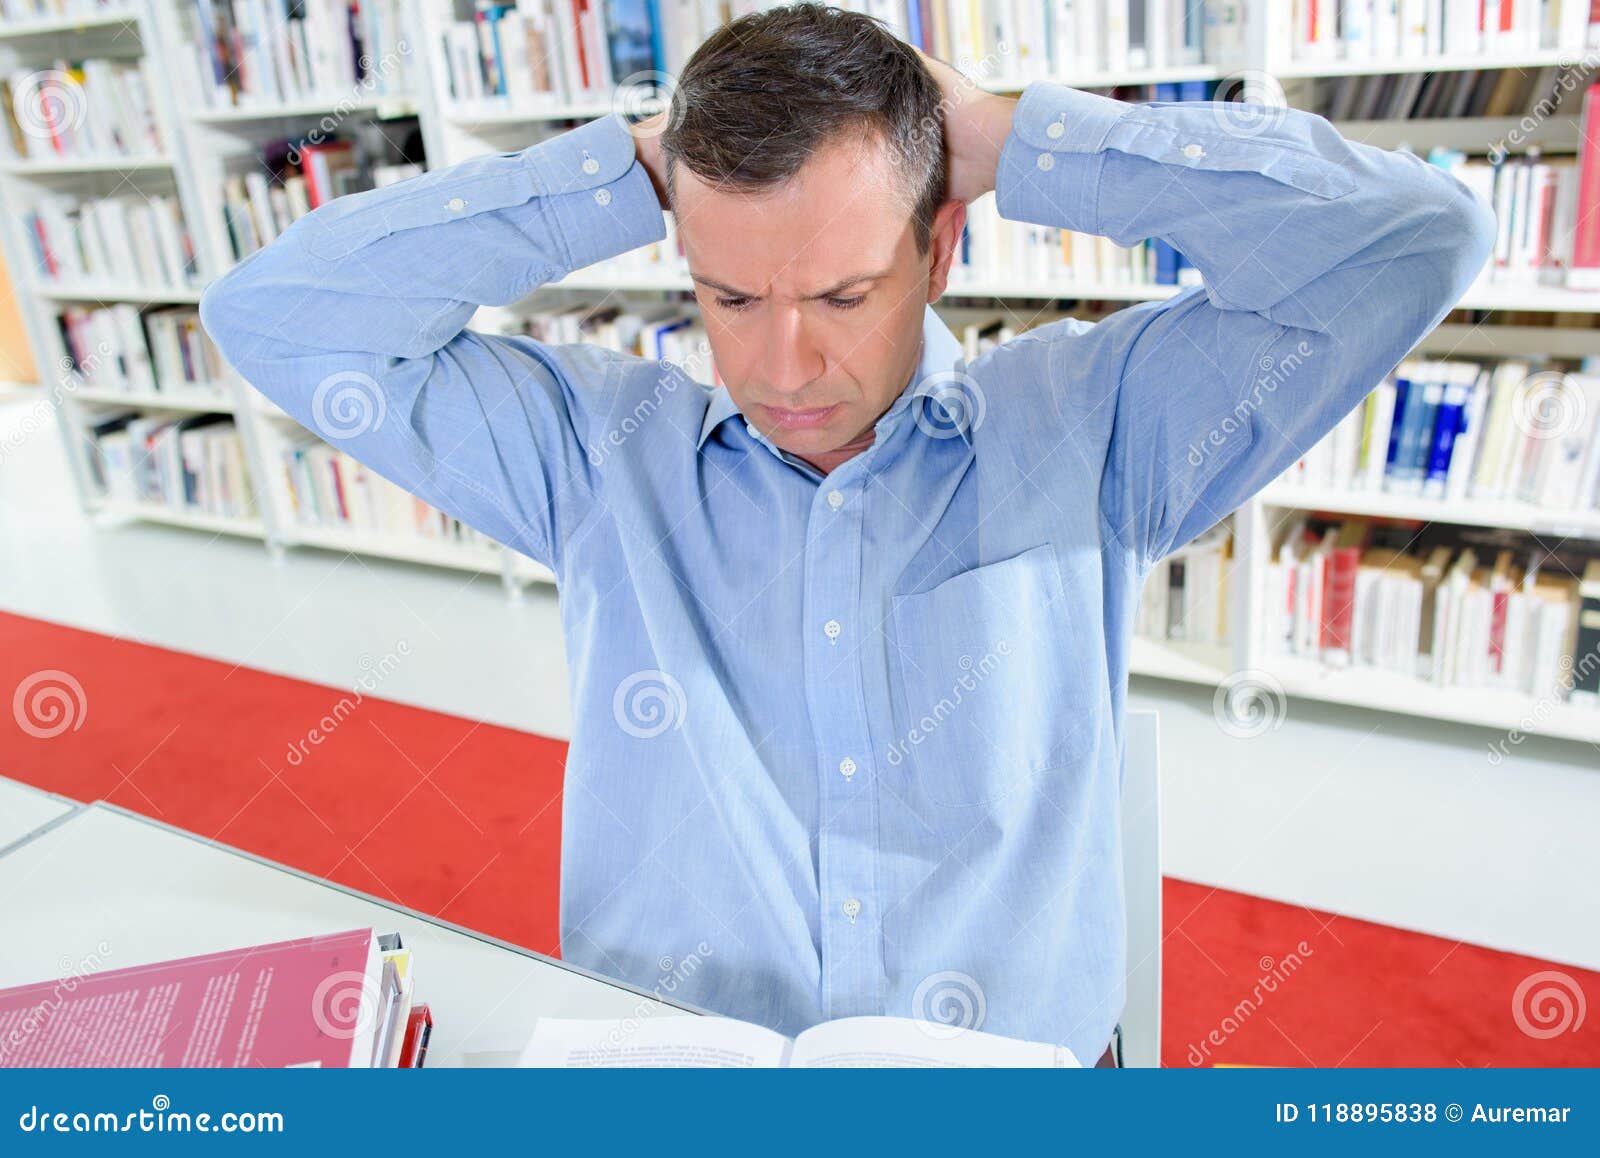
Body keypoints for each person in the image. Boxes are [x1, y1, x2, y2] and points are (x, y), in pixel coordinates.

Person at [201, 3, 1494, 1066]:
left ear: (940, 247)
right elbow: (279, 317)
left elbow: (1416, 242)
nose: (786, 362)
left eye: (842, 292)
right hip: (682, 1085)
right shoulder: (596, 455)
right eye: (730, 294)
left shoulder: (1093, 426)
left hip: (1011, 1093)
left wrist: (1000, 135)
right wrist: (636, 169)